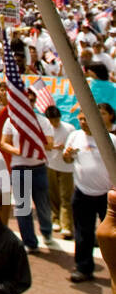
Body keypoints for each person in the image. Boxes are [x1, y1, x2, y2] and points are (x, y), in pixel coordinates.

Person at [63, 106, 116, 282]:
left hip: (107, 196)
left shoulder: (112, 140)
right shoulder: (75, 137)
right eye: (80, 119)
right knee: (83, 233)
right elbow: (66, 158)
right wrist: (68, 156)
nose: (83, 122)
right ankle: (84, 268)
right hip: (82, 193)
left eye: (86, 119)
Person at [0, 86, 54, 251]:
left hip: (38, 168)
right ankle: (30, 242)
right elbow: (4, 143)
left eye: (31, 99)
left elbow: (50, 144)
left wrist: (34, 143)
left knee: (42, 205)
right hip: (19, 168)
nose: (28, 102)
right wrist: (18, 151)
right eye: (25, 99)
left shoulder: (43, 121)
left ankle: (46, 230)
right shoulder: (11, 121)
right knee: (23, 207)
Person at [44, 103, 74, 239]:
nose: (54, 123)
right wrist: (52, 147)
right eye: (52, 120)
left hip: (67, 167)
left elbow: (74, 145)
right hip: (51, 165)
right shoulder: (45, 129)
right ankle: (55, 219)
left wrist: (67, 149)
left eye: (56, 120)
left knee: (66, 197)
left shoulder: (69, 129)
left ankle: (66, 225)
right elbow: (41, 145)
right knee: (53, 195)